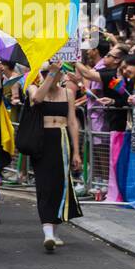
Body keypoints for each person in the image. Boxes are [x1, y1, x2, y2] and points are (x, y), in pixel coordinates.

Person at [26, 62, 83, 251]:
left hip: (62, 140)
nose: (50, 75)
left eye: (56, 72)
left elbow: (73, 122)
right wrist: (49, 75)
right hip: (43, 142)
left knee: (60, 185)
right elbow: (37, 100)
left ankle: (55, 228)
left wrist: (76, 151)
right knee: (45, 185)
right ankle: (47, 232)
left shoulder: (68, 93)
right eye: (44, 72)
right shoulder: (33, 87)